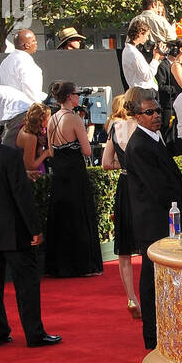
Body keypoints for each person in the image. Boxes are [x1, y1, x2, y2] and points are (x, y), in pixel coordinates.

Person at [125, 90, 182, 350]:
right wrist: (178, 204)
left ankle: (165, 329)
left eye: (157, 111)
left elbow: (169, 178)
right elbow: (157, 187)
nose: (156, 116)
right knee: (152, 279)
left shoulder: (154, 138)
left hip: (163, 217)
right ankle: (153, 336)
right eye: (149, 112)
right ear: (137, 116)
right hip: (153, 221)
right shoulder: (140, 144)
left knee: (163, 276)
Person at [0, 112, 61, 348]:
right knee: (27, 285)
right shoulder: (8, 156)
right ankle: (34, 334)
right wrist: (35, 229)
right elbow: (22, 196)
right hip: (14, 232)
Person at [44, 81, 103, 278]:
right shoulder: (75, 119)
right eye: (77, 94)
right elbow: (87, 150)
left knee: (61, 216)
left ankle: (59, 266)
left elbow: (51, 151)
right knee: (78, 215)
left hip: (59, 172)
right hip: (75, 173)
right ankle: (82, 265)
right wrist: (89, 129)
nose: (79, 97)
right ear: (70, 97)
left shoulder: (52, 119)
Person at [101, 91, 141, 319]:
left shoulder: (115, 128)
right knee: (149, 244)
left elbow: (106, 163)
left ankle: (131, 297)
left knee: (124, 249)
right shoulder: (143, 126)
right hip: (142, 185)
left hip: (124, 186)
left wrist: (121, 165)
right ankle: (151, 295)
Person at [0, 28, 45, 111]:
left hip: (6, 111)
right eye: (33, 41)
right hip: (24, 111)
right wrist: (38, 110)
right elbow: (30, 89)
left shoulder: (6, 61)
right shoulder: (26, 62)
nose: (36, 43)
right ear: (27, 45)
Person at [121, 18, 165, 90]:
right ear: (140, 33)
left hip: (141, 91)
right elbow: (147, 76)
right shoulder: (133, 53)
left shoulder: (131, 50)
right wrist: (155, 58)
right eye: (146, 35)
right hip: (143, 92)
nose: (147, 38)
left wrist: (158, 59)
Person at [16, 104, 51, 180]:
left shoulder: (27, 126)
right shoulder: (31, 137)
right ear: (42, 120)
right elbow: (29, 166)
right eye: (49, 117)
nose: (50, 119)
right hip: (34, 177)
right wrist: (46, 154)